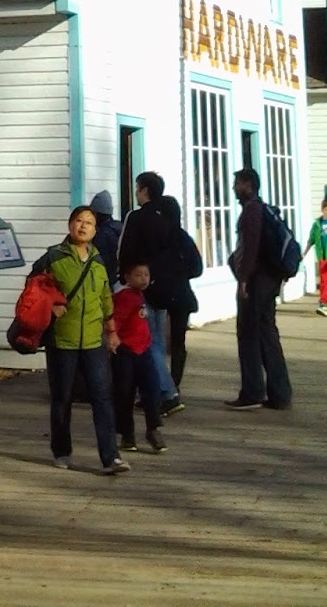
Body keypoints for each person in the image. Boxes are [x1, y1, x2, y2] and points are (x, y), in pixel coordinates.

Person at [39, 205, 130, 473]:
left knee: (102, 397)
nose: (83, 226)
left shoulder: (99, 261)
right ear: (70, 225)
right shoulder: (53, 257)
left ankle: (110, 457)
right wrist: (50, 305)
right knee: (62, 397)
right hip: (62, 340)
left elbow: (105, 297)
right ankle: (61, 451)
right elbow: (34, 288)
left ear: (94, 230)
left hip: (93, 341)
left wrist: (112, 330)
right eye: (78, 221)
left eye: (88, 223)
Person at [225, 168, 292, 411]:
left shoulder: (252, 211)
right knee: (267, 334)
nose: (234, 188)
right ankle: (280, 394)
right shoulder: (262, 209)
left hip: (256, 281)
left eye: (237, 183)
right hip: (270, 279)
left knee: (249, 334)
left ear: (248, 185)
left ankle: (252, 392)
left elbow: (250, 247)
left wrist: (243, 280)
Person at [117, 170, 180, 412]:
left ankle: (167, 392)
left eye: (137, 187)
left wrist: (124, 276)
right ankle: (152, 389)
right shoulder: (169, 217)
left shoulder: (137, 217)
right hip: (165, 285)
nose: (135, 192)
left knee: (146, 340)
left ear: (144, 190)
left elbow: (125, 251)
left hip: (141, 286)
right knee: (158, 341)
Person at [147, 194, 202, 401]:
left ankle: (162, 386)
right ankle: (174, 383)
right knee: (178, 343)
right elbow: (197, 268)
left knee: (156, 343)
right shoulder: (183, 238)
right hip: (181, 296)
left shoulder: (157, 239)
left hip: (159, 295)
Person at [109, 261, 166, 454]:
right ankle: (127, 434)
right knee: (125, 393)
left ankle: (153, 428)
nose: (143, 279)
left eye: (146, 275)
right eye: (138, 275)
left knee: (152, 390)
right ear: (127, 277)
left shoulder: (141, 295)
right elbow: (115, 320)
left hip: (144, 350)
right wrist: (113, 336)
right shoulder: (125, 297)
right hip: (126, 351)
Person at [89, 190, 122, 288]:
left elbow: (102, 260)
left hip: (105, 281)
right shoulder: (120, 227)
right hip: (120, 280)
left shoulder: (101, 233)